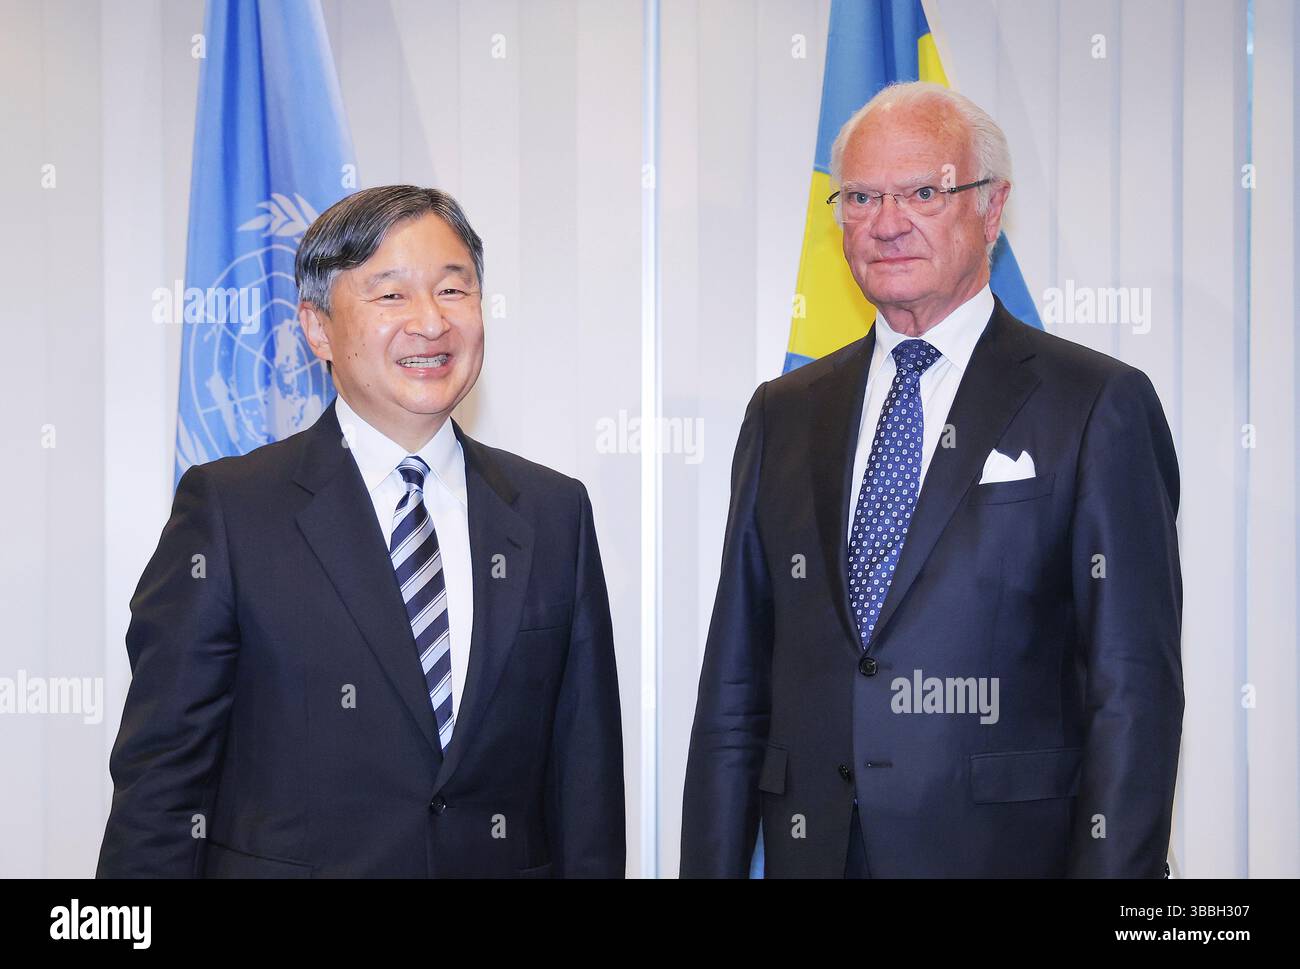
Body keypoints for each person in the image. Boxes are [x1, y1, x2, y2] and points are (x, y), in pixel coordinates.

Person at [681, 82, 1182, 878]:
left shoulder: (1095, 405)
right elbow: (735, 686)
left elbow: (1133, 694)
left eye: (923, 192)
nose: (886, 222)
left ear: (991, 208)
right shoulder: (783, 412)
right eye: (862, 196)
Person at [97, 185, 625, 878]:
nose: (431, 322)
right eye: (391, 295)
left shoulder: (554, 514)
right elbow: (160, 793)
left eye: (453, 289)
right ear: (318, 328)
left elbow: (585, 790)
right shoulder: (230, 514)